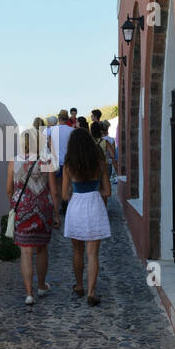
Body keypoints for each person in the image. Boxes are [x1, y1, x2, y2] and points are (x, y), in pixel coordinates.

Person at [6, 126, 60, 306]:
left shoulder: (14, 161)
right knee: (42, 248)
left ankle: (29, 293)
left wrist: (14, 204)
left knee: (26, 250)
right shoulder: (46, 160)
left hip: (23, 208)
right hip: (43, 208)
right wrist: (57, 214)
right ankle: (42, 285)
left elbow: (9, 189)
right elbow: (54, 191)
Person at [62, 126, 111, 306]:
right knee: (93, 253)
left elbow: (64, 195)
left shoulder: (69, 165)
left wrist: (75, 191)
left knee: (77, 251)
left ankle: (80, 285)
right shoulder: (99, 163)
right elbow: (107, 191)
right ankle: (92, 292)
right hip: (95, 205)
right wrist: (95, 190)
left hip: (77, 206)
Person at [48, 110, 73, 216]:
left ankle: (57, 212)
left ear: (59, 119)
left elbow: (46, 141)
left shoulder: (52, 130)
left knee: (57, 188)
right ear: (67, 119)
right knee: (69, 186)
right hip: (69, 162)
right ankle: (68, 207)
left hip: (55, 162)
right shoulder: (72, 130)